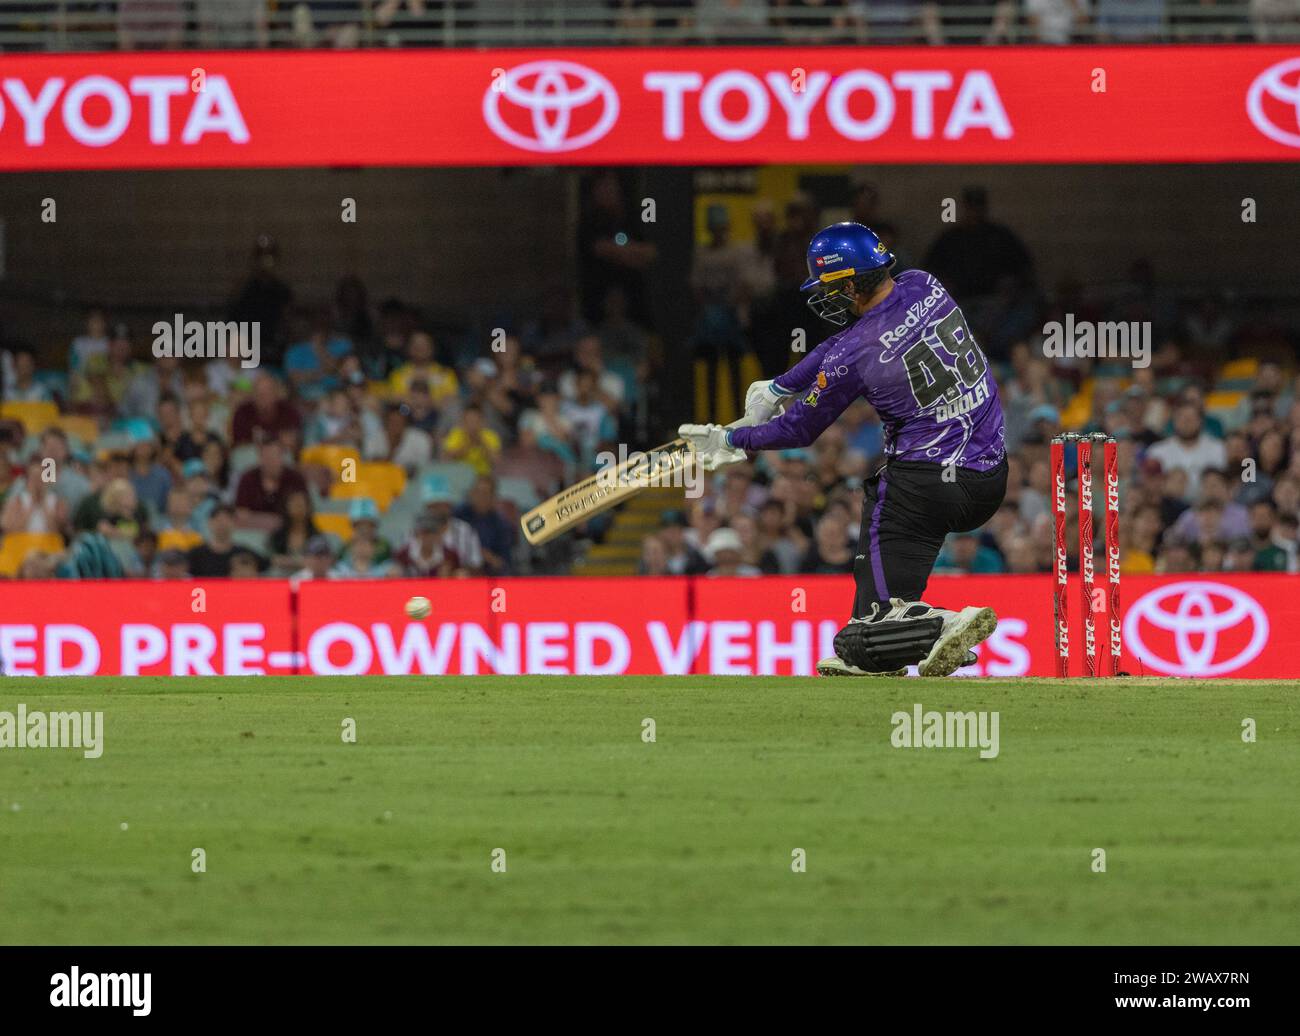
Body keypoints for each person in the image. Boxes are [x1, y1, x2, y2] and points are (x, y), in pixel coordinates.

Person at [679, 222, 1007, 678]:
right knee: (873, 616)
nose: (825, 299)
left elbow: (798, 430)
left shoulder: (857, 353)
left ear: (850, 283)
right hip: (989, 476)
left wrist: (733, 440)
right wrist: (780, 385)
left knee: (880, 497)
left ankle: (936, 626)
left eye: (830, 288)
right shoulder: (924, 283)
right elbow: (841, 344)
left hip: (924, 484)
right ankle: (870, 653)